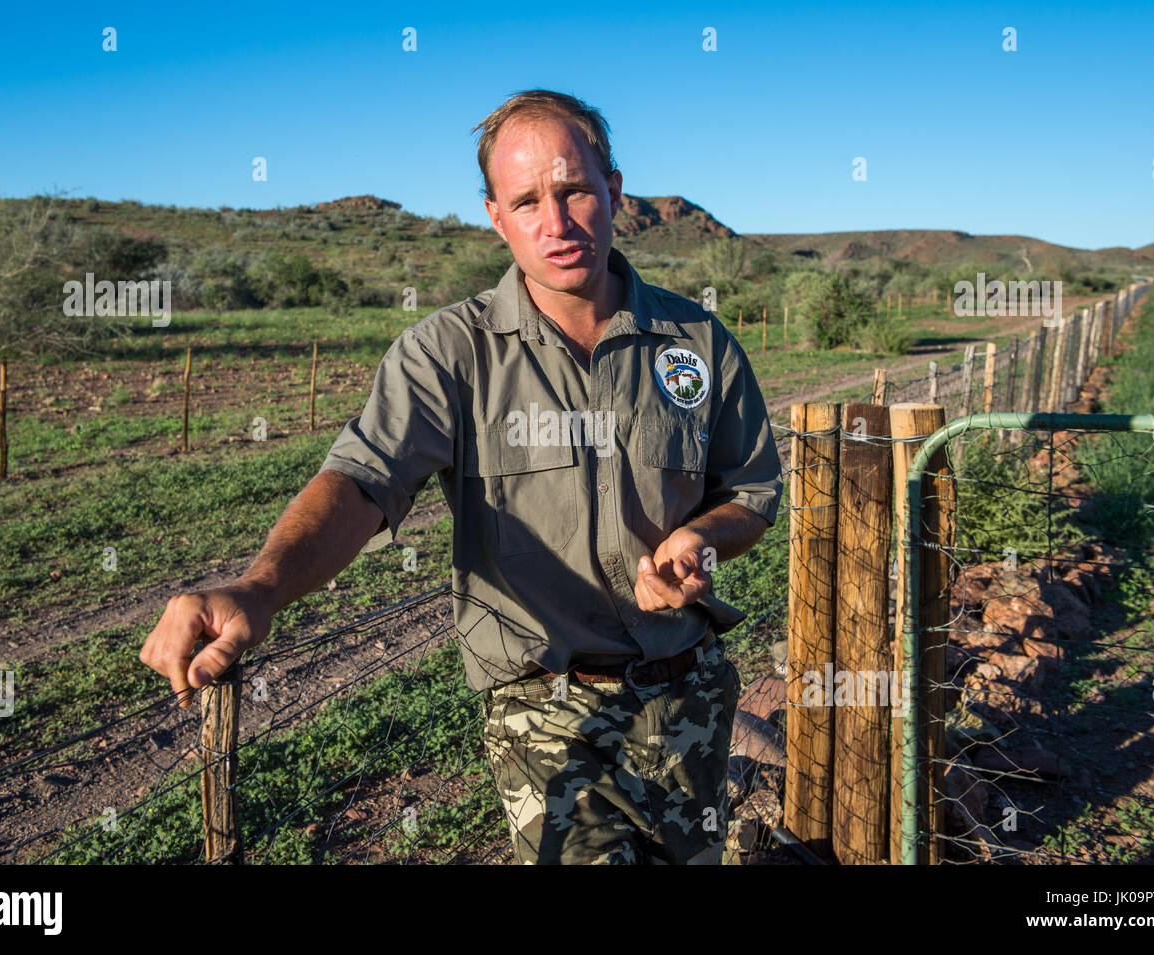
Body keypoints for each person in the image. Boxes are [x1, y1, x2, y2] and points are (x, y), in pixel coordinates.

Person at [140, 89, 782, 864]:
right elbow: (361, 480)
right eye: (527, 200)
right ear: (494, 216)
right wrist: (260, 586)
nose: (556, 221)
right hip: (545, 710)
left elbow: (750, 492)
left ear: (615, 190)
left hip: (691, 697)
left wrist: (701, 538)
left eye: (575, 190)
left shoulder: (696, 341)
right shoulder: (448, 353)